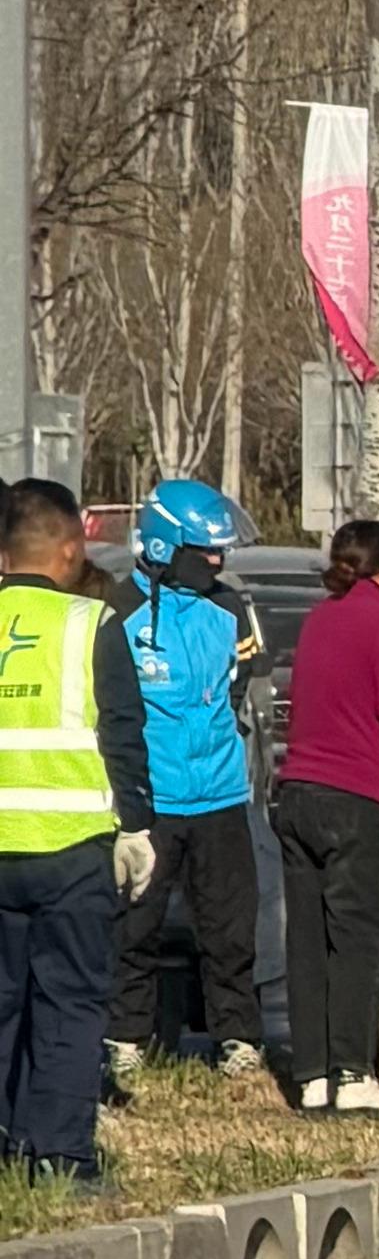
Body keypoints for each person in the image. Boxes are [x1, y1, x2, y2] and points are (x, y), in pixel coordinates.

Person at [0, 477, 150, 1181]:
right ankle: (59, 1156)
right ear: (69, 551)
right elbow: (123, 736)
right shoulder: (93, 627)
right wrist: (138, 830)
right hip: (70, 849)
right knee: (68, 1005)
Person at [108, 474, 265, 1085]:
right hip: (154, 800)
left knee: (230, 929)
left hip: (222, 796)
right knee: (134, 929)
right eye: (204, 552)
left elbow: (243, 685)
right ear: (162, 548)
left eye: (221, 550)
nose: (217, 561)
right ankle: (125, 1036)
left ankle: (238, 1039)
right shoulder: (117, 613)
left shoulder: (230, 606)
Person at [276, 512, 379, 1114]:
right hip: (355, 797)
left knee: (307, 938)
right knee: (358, 939)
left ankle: (311, 1075)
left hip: (298, 791)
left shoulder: (320, 618)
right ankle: (354, 1073)